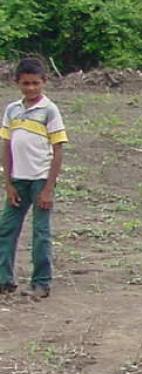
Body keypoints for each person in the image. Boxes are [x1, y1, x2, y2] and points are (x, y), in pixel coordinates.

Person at [0, 57, 67, 300]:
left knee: (41, 233)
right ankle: (4, 280)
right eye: (25, 83)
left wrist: (48, 187)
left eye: (35, 83)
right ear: (17, 82)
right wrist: (8, 183)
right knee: (6, 229)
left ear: (44, 82)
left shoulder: (49, 110)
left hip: (40, 179)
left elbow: (58, 149)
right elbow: (6, 147)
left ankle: (41, 282)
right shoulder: (12, 110)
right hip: (18, 180)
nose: (30, 88)